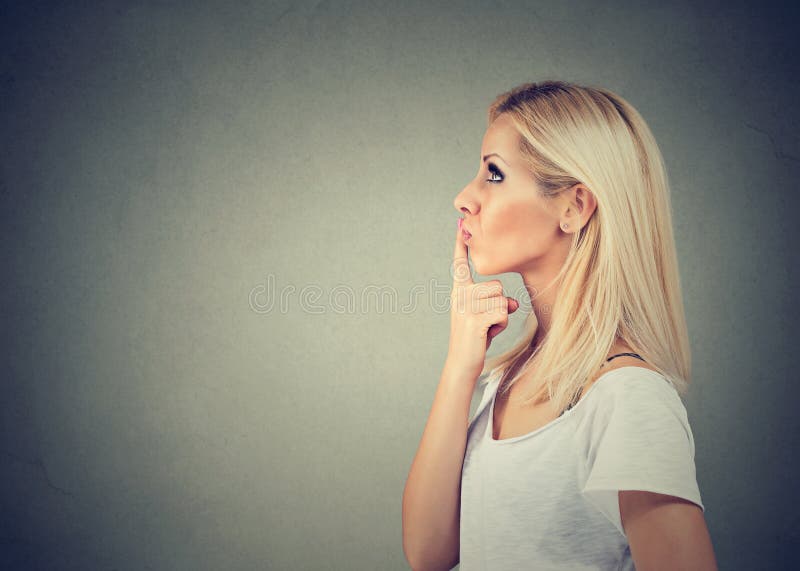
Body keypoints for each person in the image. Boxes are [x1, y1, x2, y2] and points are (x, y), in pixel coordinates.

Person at [402, 81, 718, 570]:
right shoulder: (503, 379)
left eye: (494, 173)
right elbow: (428, 553)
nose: (464, 197)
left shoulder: (628, 399)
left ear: (573, 207)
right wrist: (460, 367)